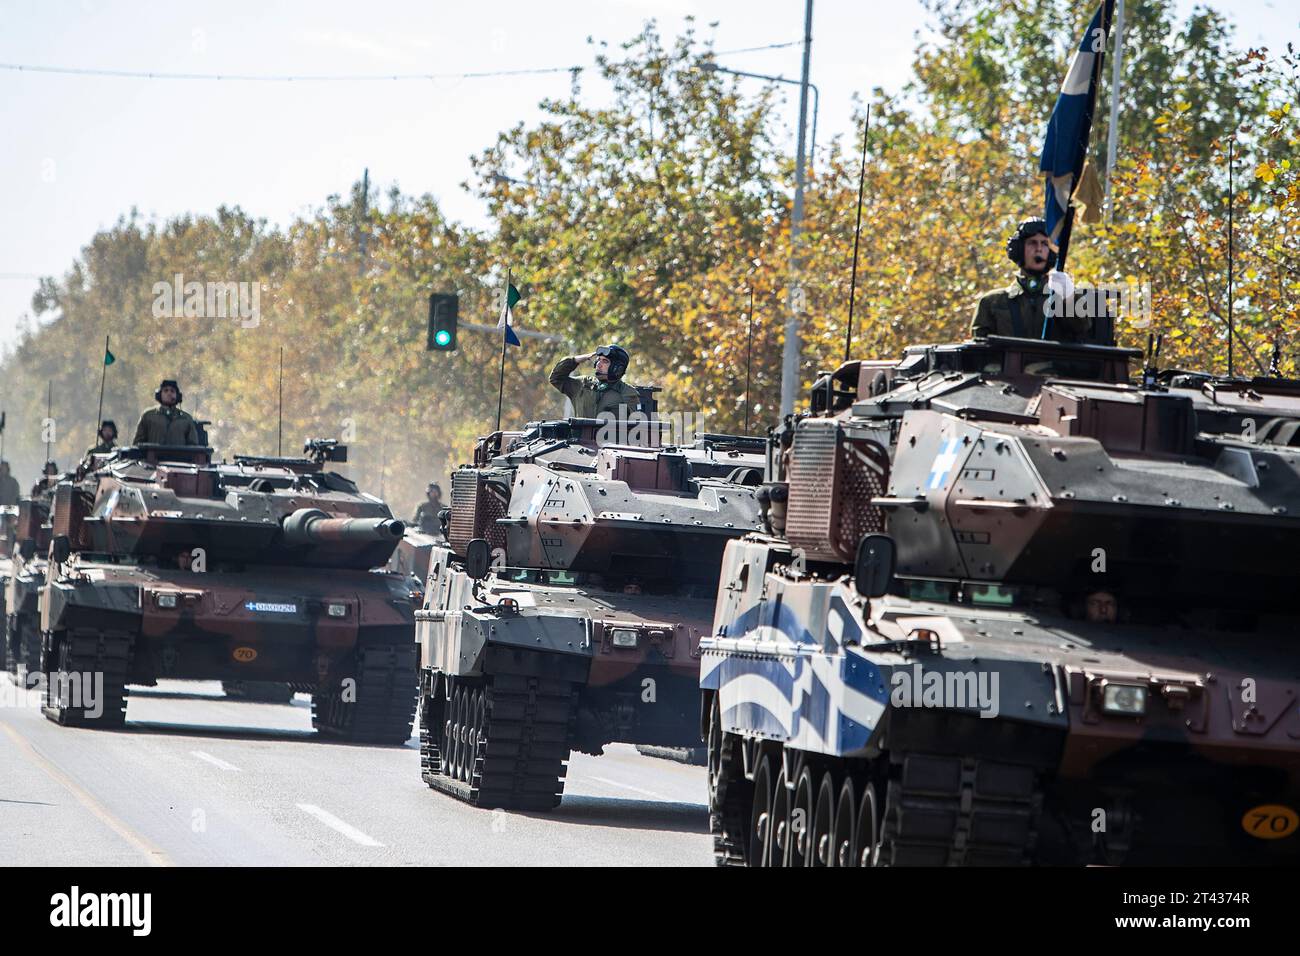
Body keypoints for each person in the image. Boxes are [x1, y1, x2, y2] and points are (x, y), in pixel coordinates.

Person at [971, 218, 1090, 342]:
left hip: (1053, 361)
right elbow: (980, 350)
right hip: (1009, 361)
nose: (1039, 249)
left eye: (1044, 244)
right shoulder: (993, 302)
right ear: (1018, 249)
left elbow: (1082, 328)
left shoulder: (1062, 298)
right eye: (1032, 243)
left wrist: (1069, 297)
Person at [549, 345, 642, 419]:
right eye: (598, 360)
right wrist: (576, 360)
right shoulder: (583, 384)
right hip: (580, 441)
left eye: (605, 361)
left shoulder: (627, 392)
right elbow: (556, 378)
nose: (598, 364)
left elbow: (638, 427)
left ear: (617, 368)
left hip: (611, 441)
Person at [133, 379, 200, 445]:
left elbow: (193, 446)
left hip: (178, 456)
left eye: (172, 391)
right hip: (154, 455)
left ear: (178, 396)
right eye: (165, 391)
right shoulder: (148, 416)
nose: (169, 393)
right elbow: (138, 444)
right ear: (159, 395)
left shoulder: (186, 419)